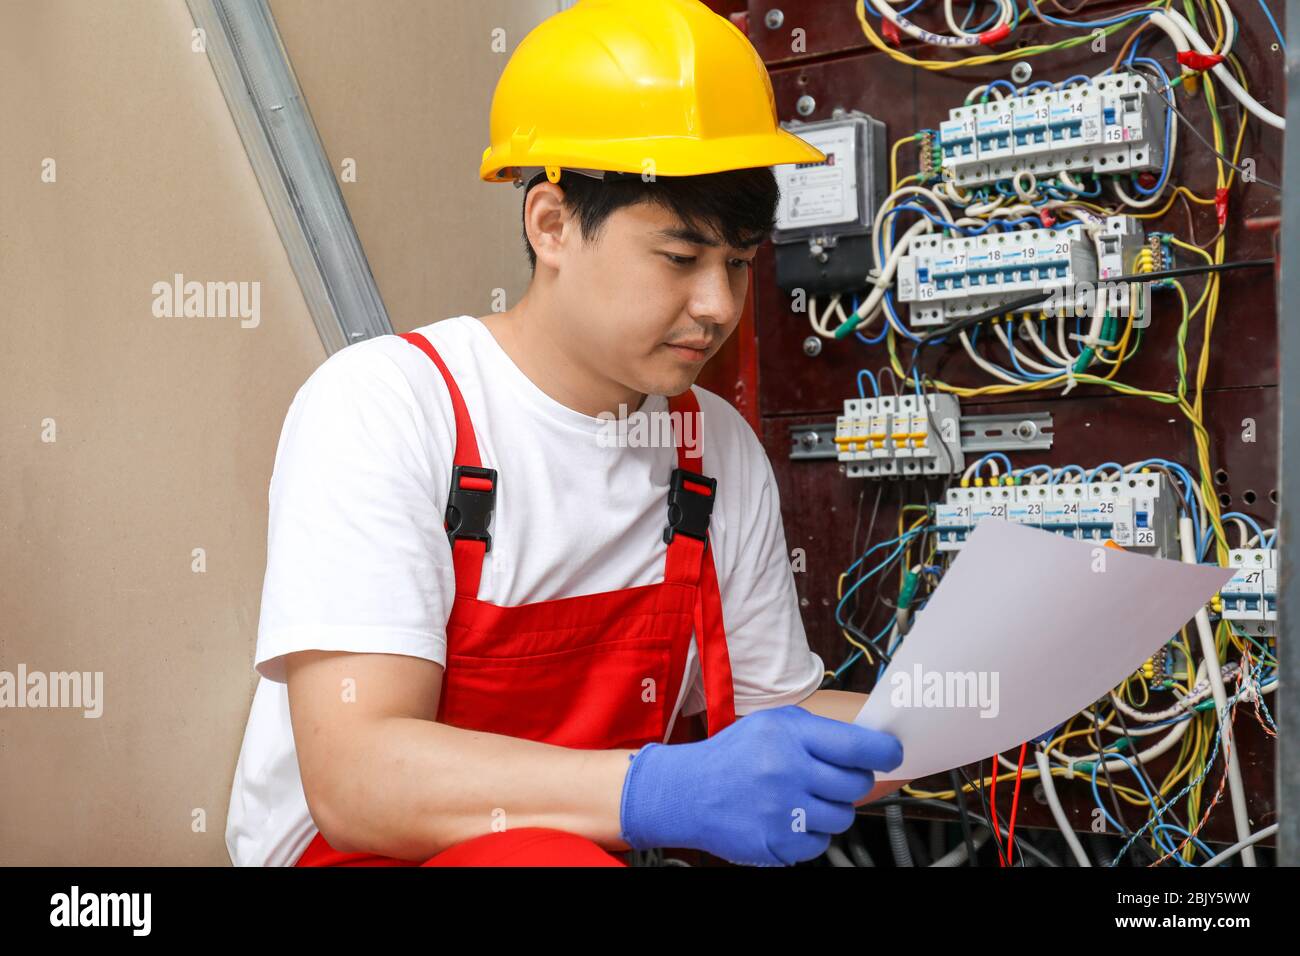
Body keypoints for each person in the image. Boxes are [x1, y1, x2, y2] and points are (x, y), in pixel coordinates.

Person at [225, 0, 905, 868]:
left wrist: (961, 712)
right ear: (550, 223)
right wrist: (657, 791)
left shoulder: (714, 448)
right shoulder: (391, 405)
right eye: (680, 258)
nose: (720, 306)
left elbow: (777, 721)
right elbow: (358, 779)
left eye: (738, 262)